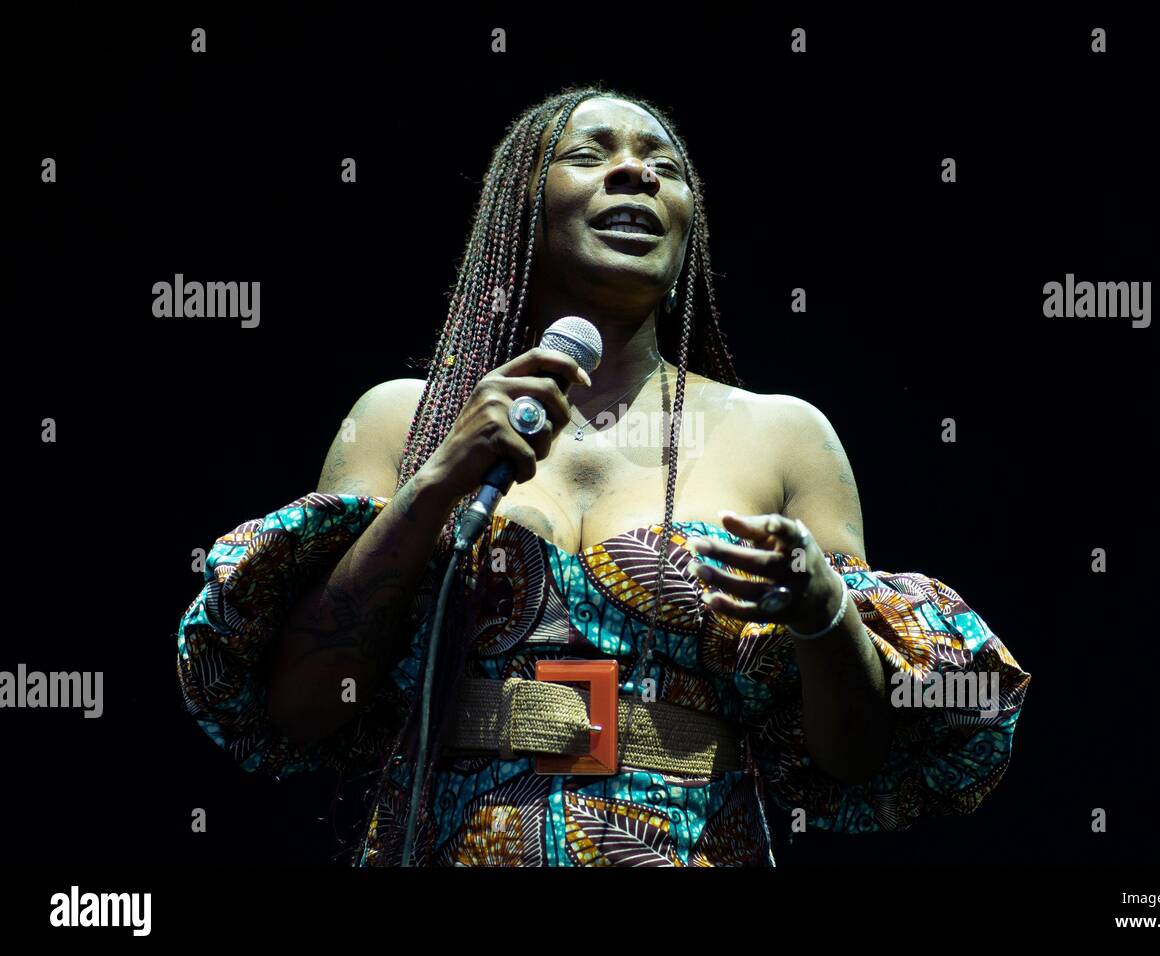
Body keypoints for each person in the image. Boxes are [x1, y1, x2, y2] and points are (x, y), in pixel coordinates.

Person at [176, 86, 1030, 866]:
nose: (636, 173)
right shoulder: (405, 419)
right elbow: (303, 707)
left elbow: (857, 756)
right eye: (591, 156)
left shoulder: (783, 435)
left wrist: (822, 613)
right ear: (520, 208)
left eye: (664, 168)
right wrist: (436, 482)